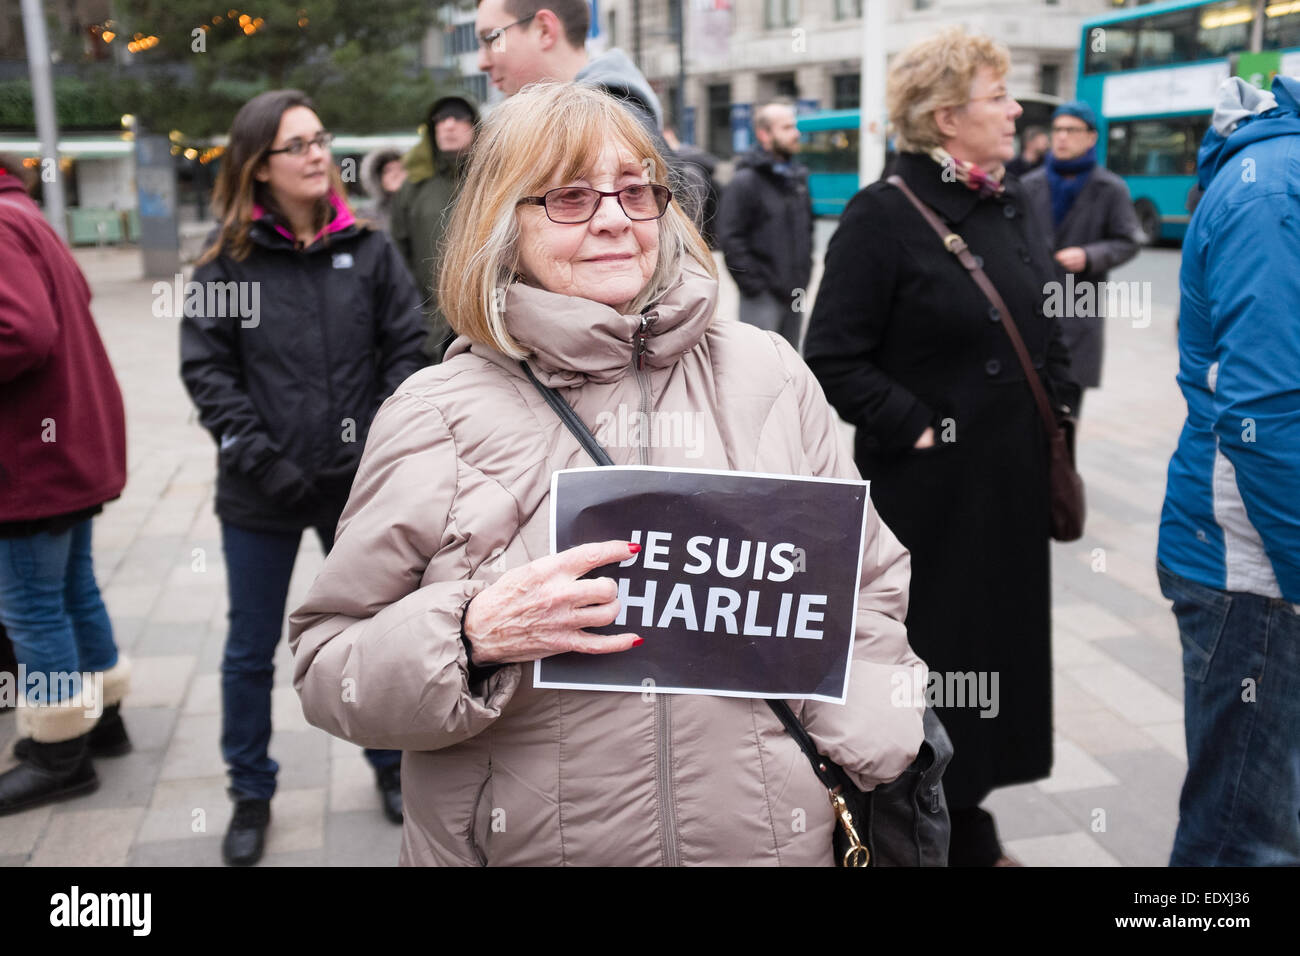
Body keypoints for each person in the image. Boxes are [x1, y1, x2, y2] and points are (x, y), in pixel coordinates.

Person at [287, 82, 926, 867]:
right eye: (569, 196)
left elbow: (867, 582)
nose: (615, 218)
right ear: (503, 224)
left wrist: (868, 736)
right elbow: (328, 665)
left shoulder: (768, 373)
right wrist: (470, 635)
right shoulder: (434, 415)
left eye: (635, 190)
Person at [803, 28, 1080, 867]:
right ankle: (934, 832)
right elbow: (832, 356)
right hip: (931, 504)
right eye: (998, 96)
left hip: (1008, 490)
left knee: (997, 664)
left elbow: (1041, 315)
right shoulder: (882, 214)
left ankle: (971, 824)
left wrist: (1059, 399)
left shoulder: (1007, 200)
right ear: (947, 116)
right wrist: (917, 424)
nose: (1017, 110)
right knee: (941, 665)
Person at [179, 90, 426, 865]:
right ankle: (250, 792)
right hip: (262, 491)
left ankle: (390, 766)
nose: (319, 154)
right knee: (251, 648)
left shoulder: (370, 248)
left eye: (321, 138)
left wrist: (375, 449)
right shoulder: (226, 262)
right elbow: (208, 373)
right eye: (298, 144)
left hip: (357, 489)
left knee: (375, 635)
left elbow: (407, 349)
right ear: (260, 165)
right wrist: (264, 461)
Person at [1157, 74, 1300, 866]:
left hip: (1266, 557)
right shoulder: (1274, 188)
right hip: (1257, 568)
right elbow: (1265, 416)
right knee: (1243, 841)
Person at [0, 154, 132, 815]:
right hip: (63, 451)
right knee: (73, 590)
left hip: (27, 461)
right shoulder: (24, 213)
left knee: (32, 607)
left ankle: (59, 756)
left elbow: (22, 331)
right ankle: (103, 721)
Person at [474, 0, 709, 223]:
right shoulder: (616, 115)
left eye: (492, 38)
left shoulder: (607, 123)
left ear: (544, 30)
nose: (481, 62)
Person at [1021, 101, 1142, 411]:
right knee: (1026, 410)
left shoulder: (1110, 188)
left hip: (1078, 308)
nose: (1061, 137)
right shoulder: (1028, 185)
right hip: (1031, 310)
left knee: (1065, 414)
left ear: (1091, 137)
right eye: (1057, 129)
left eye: (1071, 130)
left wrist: (1089, 256)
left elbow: (1129, 240)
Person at [716, 101, 814, 351]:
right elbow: (730, 237)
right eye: (787, 128)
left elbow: (807, 229)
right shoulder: (745, 181)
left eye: (794, 126)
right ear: (764, 135)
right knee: (759, 361)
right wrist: (754, 286)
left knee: (790, 361)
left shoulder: (796, 179)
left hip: (795, 293)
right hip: (763, 297)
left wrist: (804, 275)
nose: (796, 133)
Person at [390, 93, 479, 362]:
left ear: (475, 124)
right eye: (440, 119)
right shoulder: (413, 187)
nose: (448, 125)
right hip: (430, 328)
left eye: (458, 117)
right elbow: (398, 257)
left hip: (487, 322)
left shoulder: (492, 180)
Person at [354, 145, 406, 233]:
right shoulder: (366, 214)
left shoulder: (418, 210)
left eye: (400, 169)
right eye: (388, 170)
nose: (395, 174)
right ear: (378, 177)